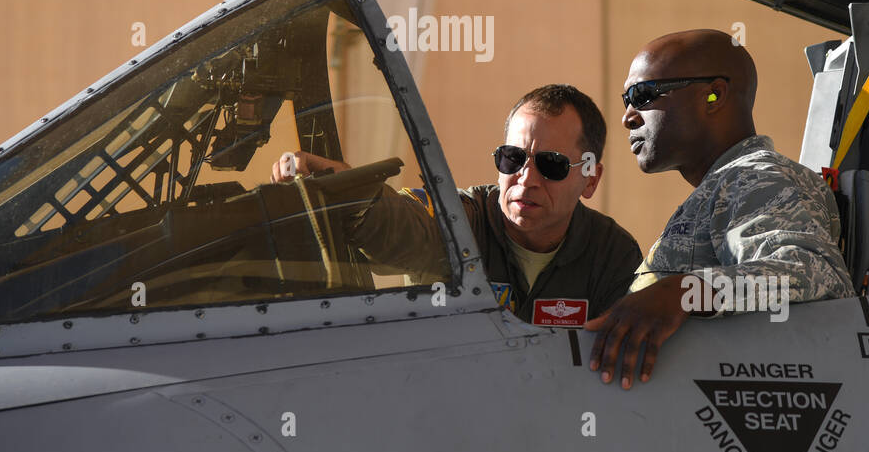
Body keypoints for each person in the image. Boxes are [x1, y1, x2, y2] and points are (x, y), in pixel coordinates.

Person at [586, 30, 854, 388]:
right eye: (626, 100)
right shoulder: (725, 185)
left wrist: (683, 292)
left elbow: (812, 273)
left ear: (714, 95)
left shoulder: (755, 176)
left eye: (643, 95)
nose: (629, 117)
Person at [273, 84, 641, 325]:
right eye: (513, 158)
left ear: (590, 178)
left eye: (551, 165)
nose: (526, 179)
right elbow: (399, 222)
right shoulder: (461, 218)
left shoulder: (612, 255)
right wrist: (342, 189)